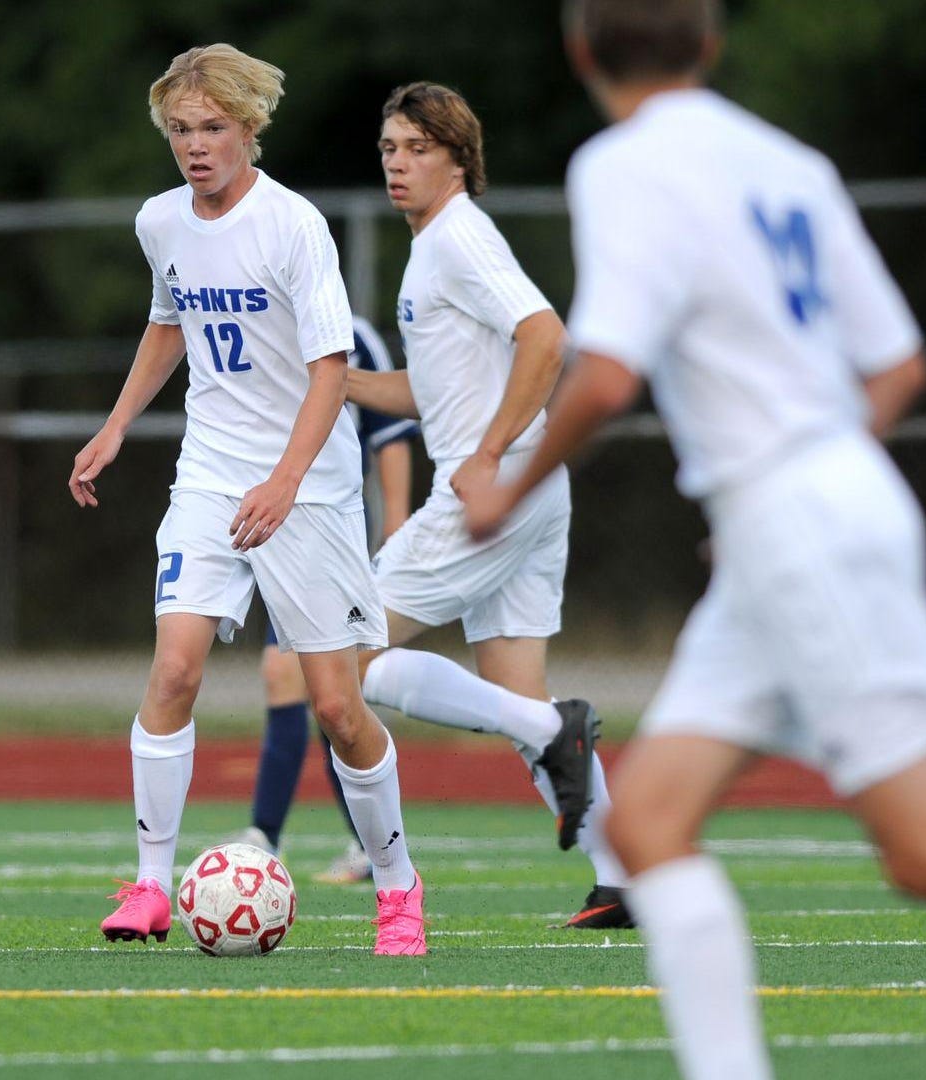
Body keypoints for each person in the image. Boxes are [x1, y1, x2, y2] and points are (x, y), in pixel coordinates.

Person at [465, 1, 926, 1073]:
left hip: (796, 524)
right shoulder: (791, 163)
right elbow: (898, 368)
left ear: (580, 49)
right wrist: (791, 478)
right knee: (646, 830)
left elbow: (605, 371)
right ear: (713, 43)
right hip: (812, 509)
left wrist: (508, 486)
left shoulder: (623, 164)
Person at [70, 43, 428, 955]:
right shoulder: (160, 221)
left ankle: (397, 887)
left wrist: (286, 480)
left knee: (339, 708)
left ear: (249, 128)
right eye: (182, 130)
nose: (196, 147)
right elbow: (167, 322)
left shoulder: (295, 225)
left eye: (213, 129)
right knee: (176, 670)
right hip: (211, 476)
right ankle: (151, 885)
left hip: (307, 489)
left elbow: (330, 370)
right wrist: (114, 428)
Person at [344, 82, 629, 928]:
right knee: (518, 692)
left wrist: (491, 455)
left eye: (419, 148)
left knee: (346, 653)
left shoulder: (458, 238)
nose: (400, 163)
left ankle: (556, 730)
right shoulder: (434, 245)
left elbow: (546, 335)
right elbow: (430, 393)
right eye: (391, 148)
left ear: (460, 159)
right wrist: (331, 379)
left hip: (497, 492)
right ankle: (623, 878)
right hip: (528, 491)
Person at [237, 317, 419, 885]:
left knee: (317, 687)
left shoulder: (349, 332)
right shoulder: (243, 316)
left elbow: (389, 436)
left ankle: (272, 836)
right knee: (313, 688)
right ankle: (344, 844)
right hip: (263, 518)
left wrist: (395, 524)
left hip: (325, 528)